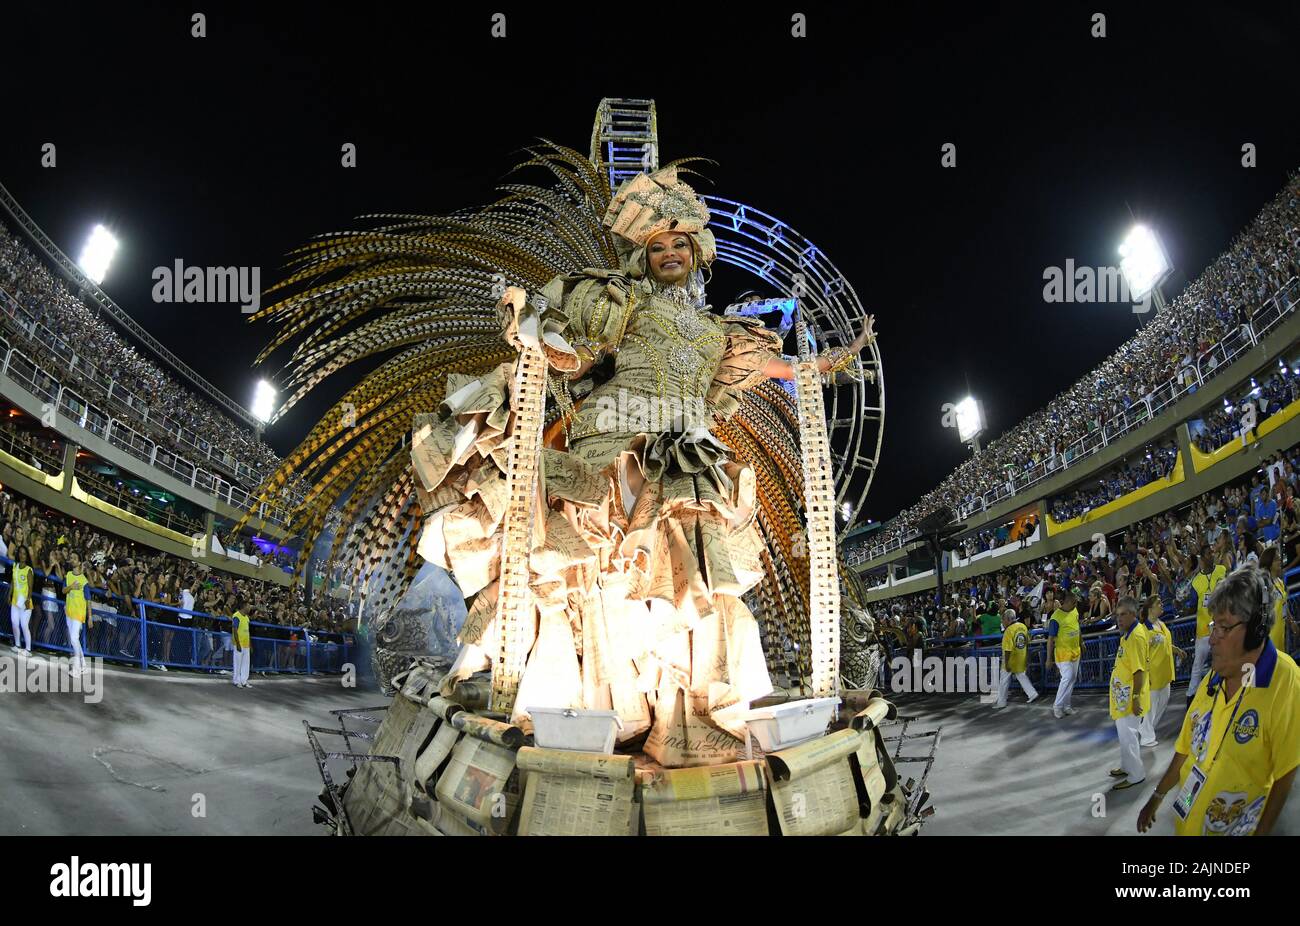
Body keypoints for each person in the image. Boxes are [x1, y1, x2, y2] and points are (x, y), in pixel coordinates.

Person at [1138, 565, 1300, 836]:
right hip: (1188, 817)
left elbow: (1285, 774)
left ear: (1255, 631)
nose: (1212, 638)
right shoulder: (1212, 678)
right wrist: (1157, 796)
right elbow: (1186, 749)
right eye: (1214, 625)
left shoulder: (1286, 682)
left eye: (1223, 627)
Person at [1107, 597, 1150, 790]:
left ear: (1134, 614)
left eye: (1124, 614)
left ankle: (1136, 774)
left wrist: (1135, 698)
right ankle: (1127, 766)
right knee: (1123, 735)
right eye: (1118, 615)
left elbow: (1139, 670)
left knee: (1129, 736)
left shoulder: (1136, 637)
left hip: (1130, 697)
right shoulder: (1127, 635)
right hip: (1122, 697)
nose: (1119, 619)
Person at [1139, 594, 1184, 748]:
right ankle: (1146, 736)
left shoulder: (1161, 624)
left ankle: (1146, 729)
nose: (1162, 605)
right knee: (1150, 708)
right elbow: (1141, 655)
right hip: (1153, 675)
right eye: (1159, 603)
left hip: (1165, 673)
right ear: (1150, 609)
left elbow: (1164, 643)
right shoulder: (1144, 630)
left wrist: (1176, 649)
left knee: (1162, 704)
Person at [1187, 546, 1228, 698]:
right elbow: (1192, 605)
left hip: (1223, 628)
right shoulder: (1196, 581)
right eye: (1208, 553)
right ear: (1202, 558)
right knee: (1197, 666)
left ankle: (1223, 691)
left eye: (1212, 552)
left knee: (1225, 660)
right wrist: (1182, 607)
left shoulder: (1222, 570)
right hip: (1203, 632)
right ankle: (1191, 697)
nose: (1212, 555)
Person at [1046, 588, 1082, 718]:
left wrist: (1081, 642)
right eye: (1073, 602)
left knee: (1072, 679)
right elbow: (1050, 639)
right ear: (1065, 602)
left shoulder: (1075, 611)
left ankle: (1067, 706)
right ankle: (1057, 706)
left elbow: (1077, 627)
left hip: (1075, 651)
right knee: (1067, 677)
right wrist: (1048, 659)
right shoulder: (1055, 617)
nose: (1075, 605)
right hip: (1062, 653)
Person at [993, 608, 1038, 709]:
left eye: (1003, 619)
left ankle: (1001, 702)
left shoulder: (1008, 631)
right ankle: (1032, 693)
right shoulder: (1023, 626)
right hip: (1021, 655)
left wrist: (1007, 663)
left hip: (1011, 658)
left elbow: (1007, 649)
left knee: (1004, 680)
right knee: (1021, 675)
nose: (1002, 622)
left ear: (1008, 619)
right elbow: (1027, 642)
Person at [63, 555, 91, 676]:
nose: (72, 560)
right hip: (69, 611)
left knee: (74, 639)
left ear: (79, 562)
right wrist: (71, 587)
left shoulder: (84, 580)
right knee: (75, 639)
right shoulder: (68, 575)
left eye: (74, 558)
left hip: (79, 613)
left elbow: (88, 600)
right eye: (71, 558)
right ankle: (84, 665)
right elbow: (63, 590)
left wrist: (90, 617)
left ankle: (77, 669)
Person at [9, 546, 34, 656]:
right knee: (14, 622)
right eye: (20, 553)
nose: (22, 555)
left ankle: (28, 649)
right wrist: (9, 595)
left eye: (24, 553)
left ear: (27, 556)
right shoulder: (15, 566)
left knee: (24, 625)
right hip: (15, 600)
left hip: (25, 602)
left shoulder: (29, 570)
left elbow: (30, 587)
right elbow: (13, 582)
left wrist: (28, 599)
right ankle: (17, 645)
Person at [230, 598, 252, 689]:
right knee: (238, 663)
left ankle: (244, 680)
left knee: (246, 664)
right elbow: (235, 630)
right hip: (239, 644)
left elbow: (248, 632)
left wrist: (250, 644)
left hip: (246, 644)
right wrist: (238, 643)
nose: (250, 608)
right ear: (244, 607)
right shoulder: (236, 616)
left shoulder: (246, 618)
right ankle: (236, 680)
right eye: (248, 606)